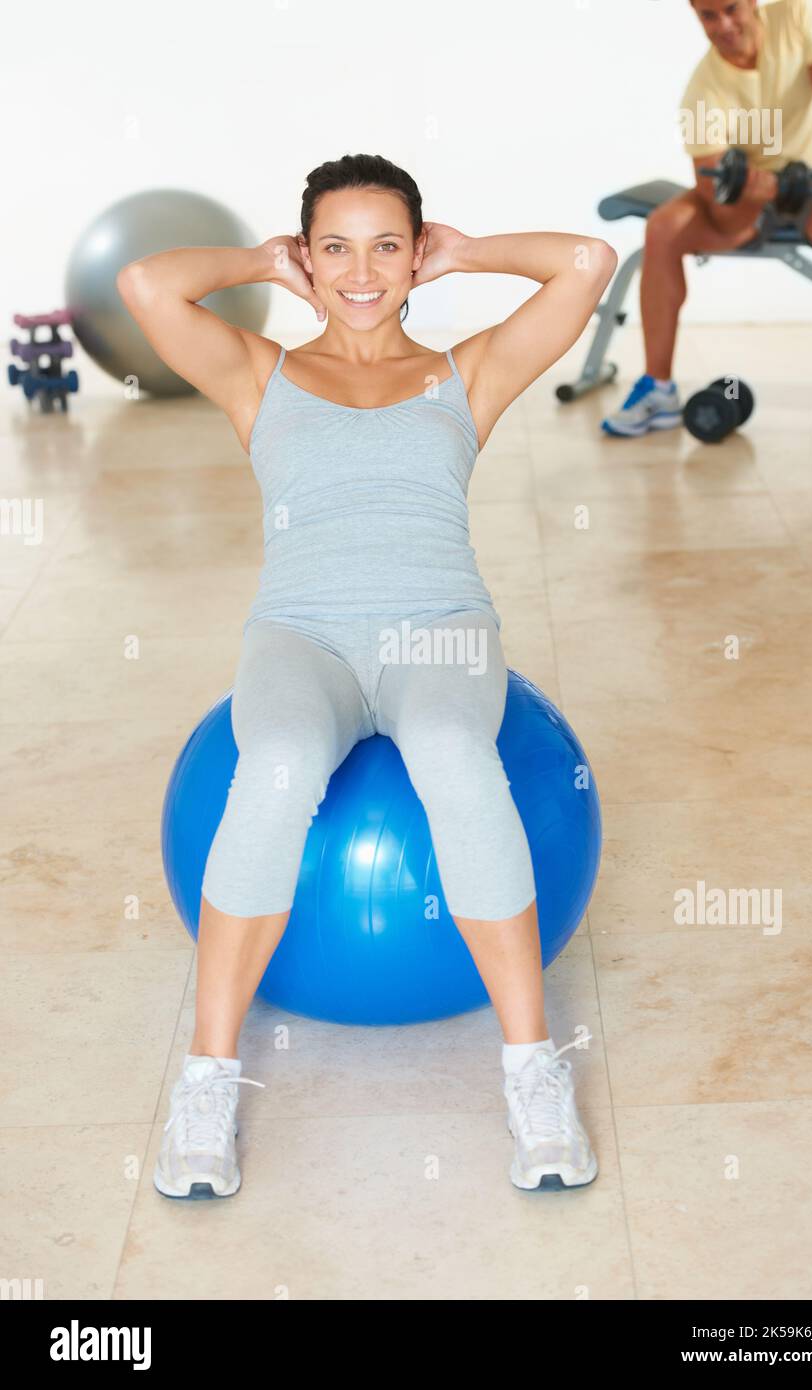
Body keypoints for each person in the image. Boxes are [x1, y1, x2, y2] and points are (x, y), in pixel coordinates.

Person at [116, 153, 617, 1198]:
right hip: (301, 635)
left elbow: (586, 261)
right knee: (281, 758)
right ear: (305, 255)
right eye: (333, 245)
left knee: (446, 747)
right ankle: (206, 1086)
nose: (360, 269)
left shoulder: (464, 373)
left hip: (439, 630)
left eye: (386, 244)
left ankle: (532, 1075)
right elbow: (146, 286)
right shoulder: (259, 374)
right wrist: (259, 260)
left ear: (413, 252)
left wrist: (468, 254)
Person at [602, 0, 812, 444]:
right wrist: (751, 197)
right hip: (745, 192)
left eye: (731, 8)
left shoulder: (798, 17)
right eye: (708, 15)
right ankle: (659, 389)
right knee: (663, 227)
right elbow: (718, 205)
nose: (723, 24)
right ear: (694, 13)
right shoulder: (702, 92)